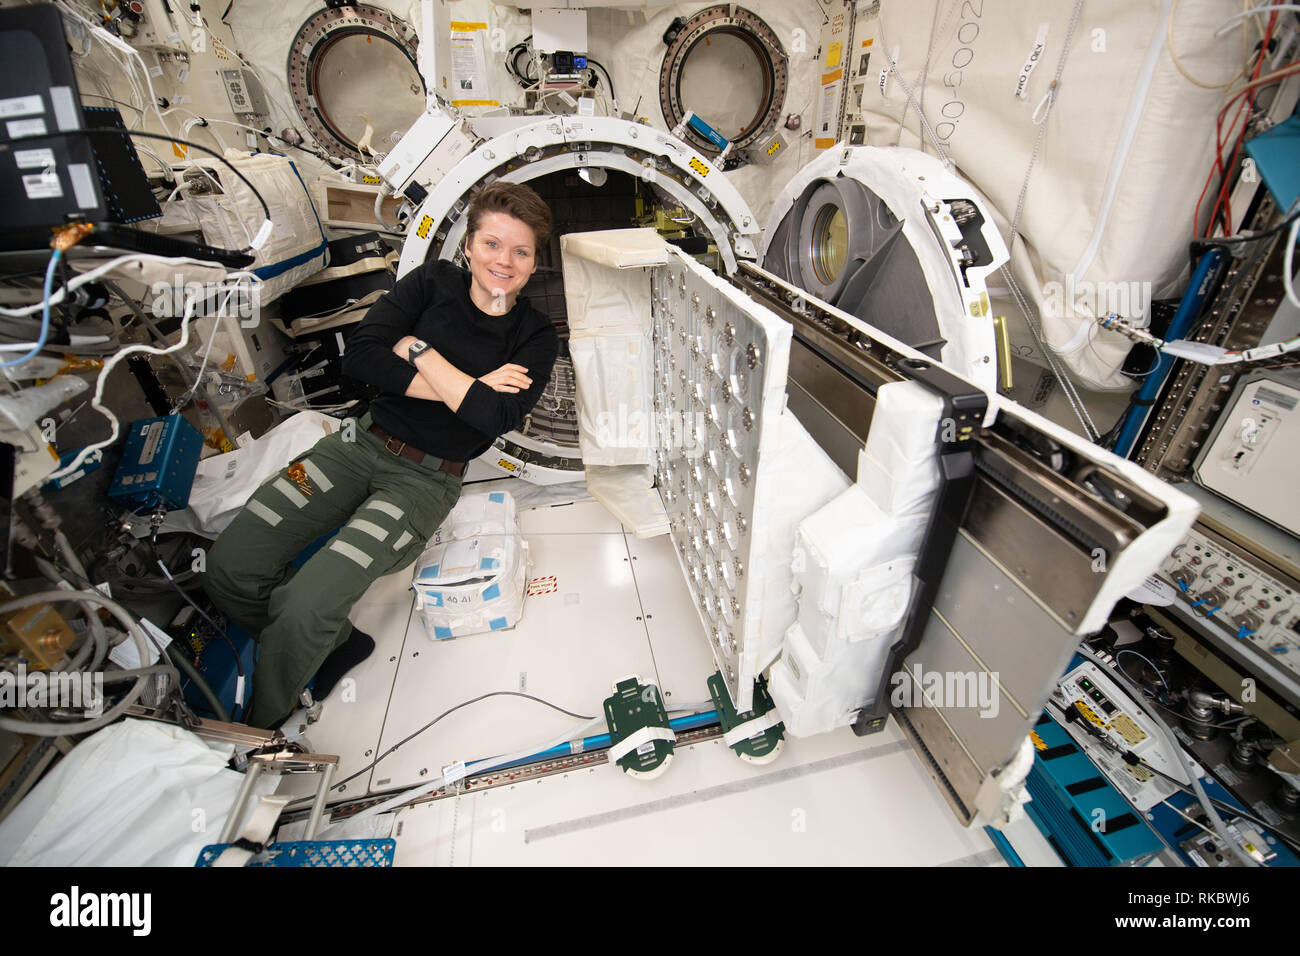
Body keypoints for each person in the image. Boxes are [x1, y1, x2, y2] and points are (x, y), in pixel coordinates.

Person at [204, 181, 557, 730]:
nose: (503, 262)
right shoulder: (429, 283)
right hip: (355, 444)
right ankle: (336, 645)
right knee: (230, 567)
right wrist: (469, 386)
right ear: (467, 247)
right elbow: (362, 361)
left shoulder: (534, 336)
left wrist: (418, 351)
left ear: (534, 263)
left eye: (520, 251)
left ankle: (253, 733)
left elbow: (492, 419)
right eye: (492, 244)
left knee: (304, 606)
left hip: (423, 484)